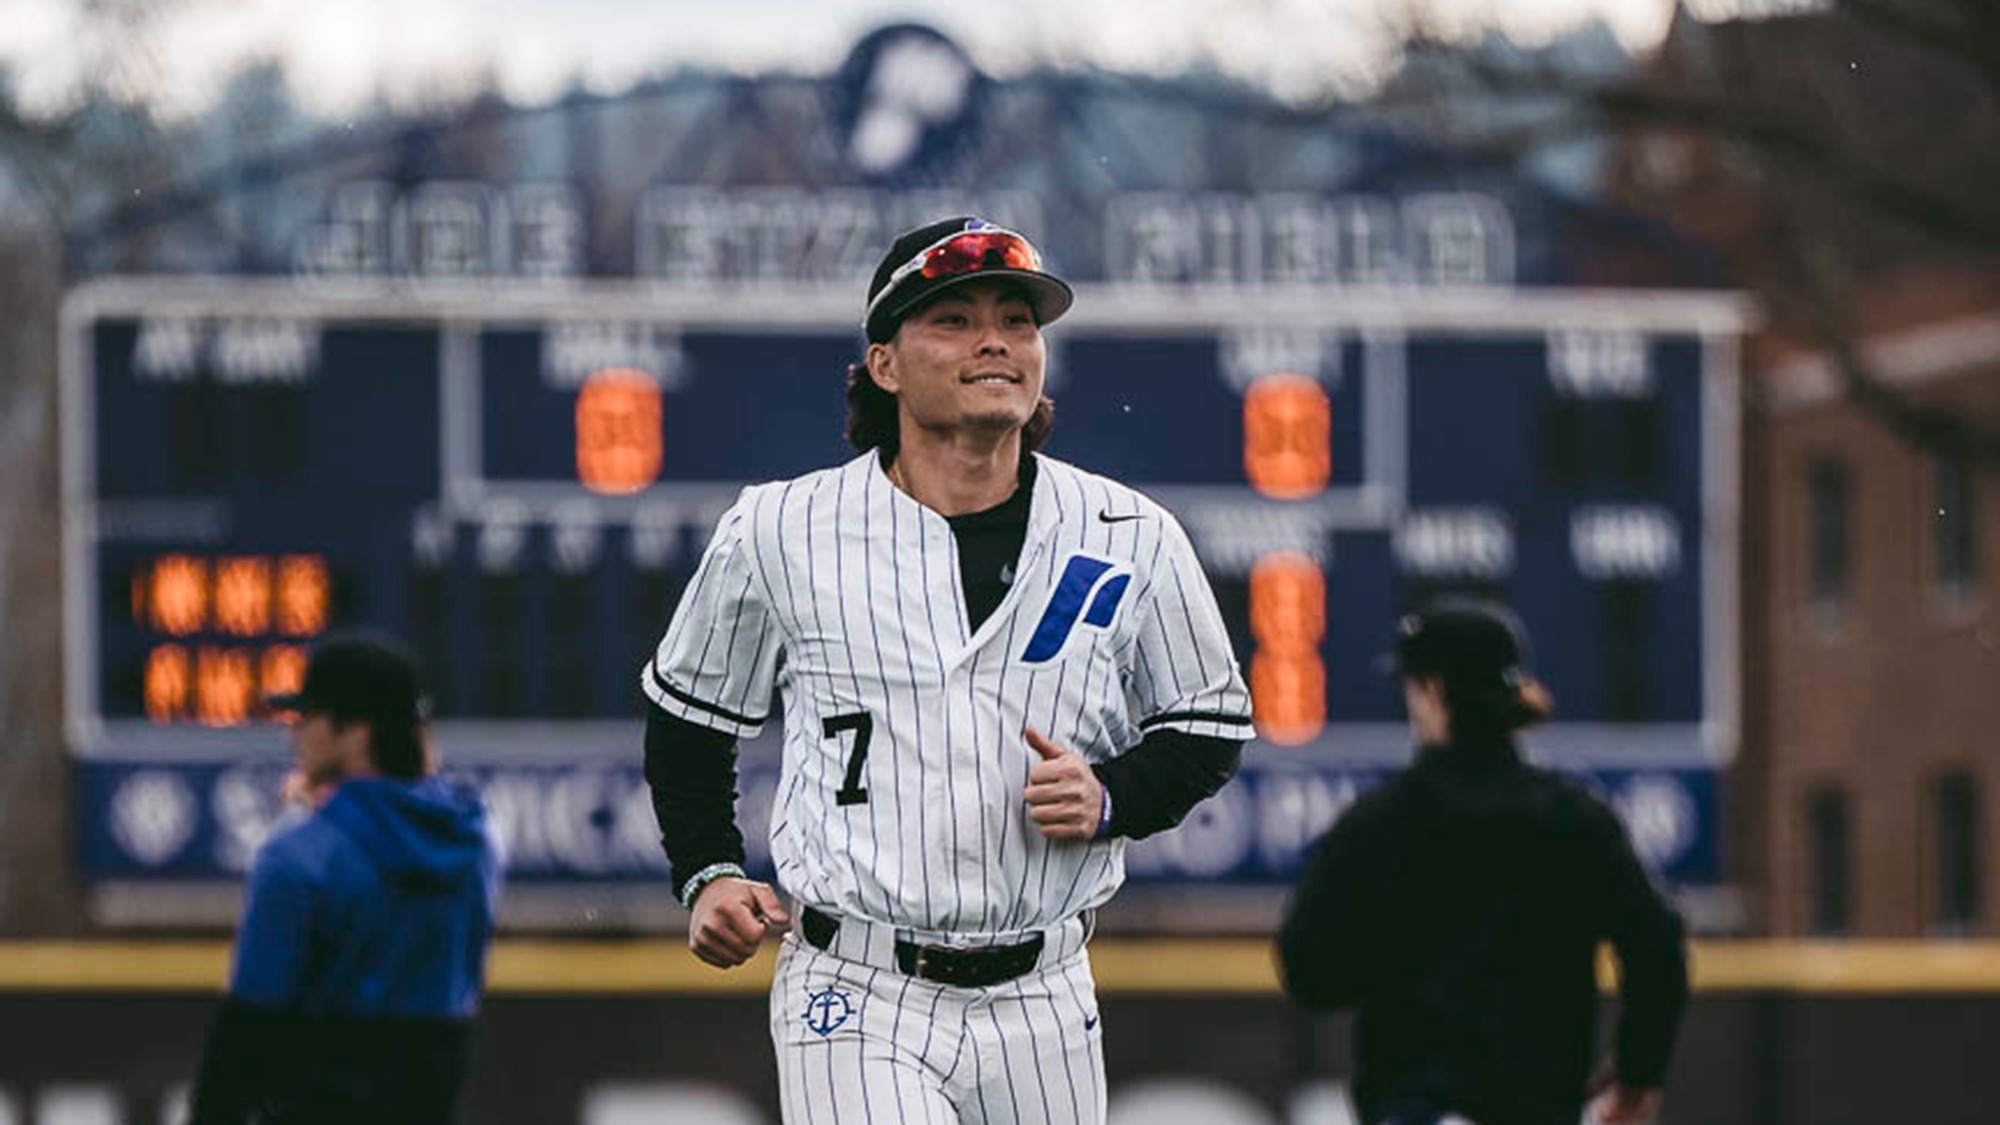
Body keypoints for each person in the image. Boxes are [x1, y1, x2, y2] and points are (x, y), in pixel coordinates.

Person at [640, 216, 1254, 1122]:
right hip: (855, 983)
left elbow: (1209, 719)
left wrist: (1117, 792)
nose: (996, 339)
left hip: (1045, 987)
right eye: (953, 319)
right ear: (884, 363)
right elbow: (689, 715)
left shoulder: (1128, 532)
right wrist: (708, 870)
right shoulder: (781, 528)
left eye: (1016, 318)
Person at [1276, 598, 1689, 1125]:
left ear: (1433, 691)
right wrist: (1637, 1077)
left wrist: (1401, 965)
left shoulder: (1382, 823)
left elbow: (1309, 968)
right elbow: (1659, 949)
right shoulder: (1575, 820)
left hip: (1417, 1106)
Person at [189, 632, 504, 1125]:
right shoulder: (476, 843)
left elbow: (244, 1038)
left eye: (308, 717)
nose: (294, 733)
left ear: (356, 733)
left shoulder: (297, 854)